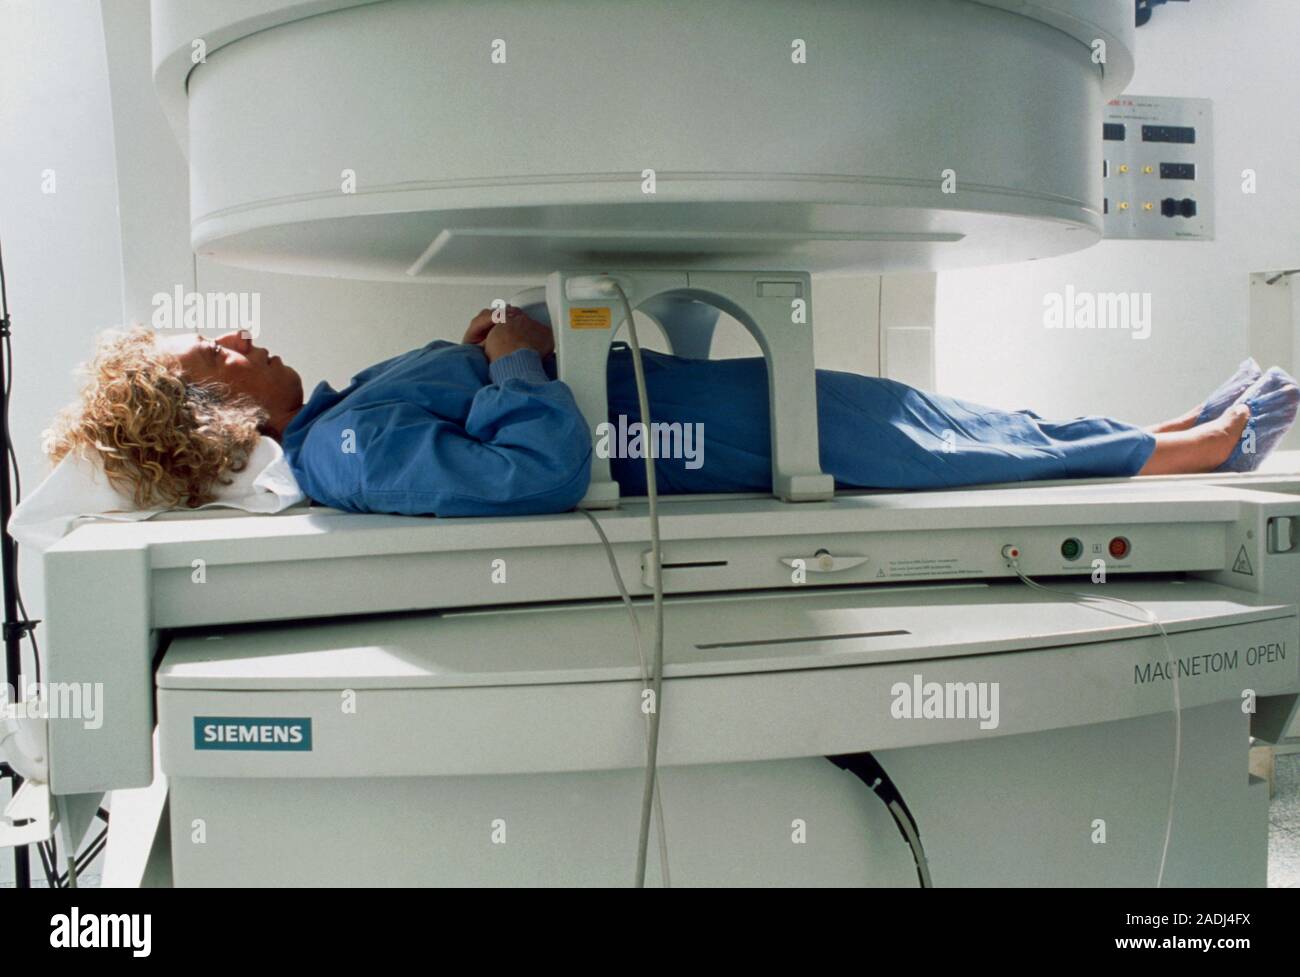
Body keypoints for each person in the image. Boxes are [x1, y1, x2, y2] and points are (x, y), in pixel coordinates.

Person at [44, 309, 1300, 516]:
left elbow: (484, 414)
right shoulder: (344, 448)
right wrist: (520, 354)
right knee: (925, 444)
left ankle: (1155, 433)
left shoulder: (336, 418)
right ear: (208, 408)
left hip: (690, 403)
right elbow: (529, 470)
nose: (239, 332)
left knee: (931, 407)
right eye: (212, 347)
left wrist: (491, 344)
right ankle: (1191, 449)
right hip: (682, 441)